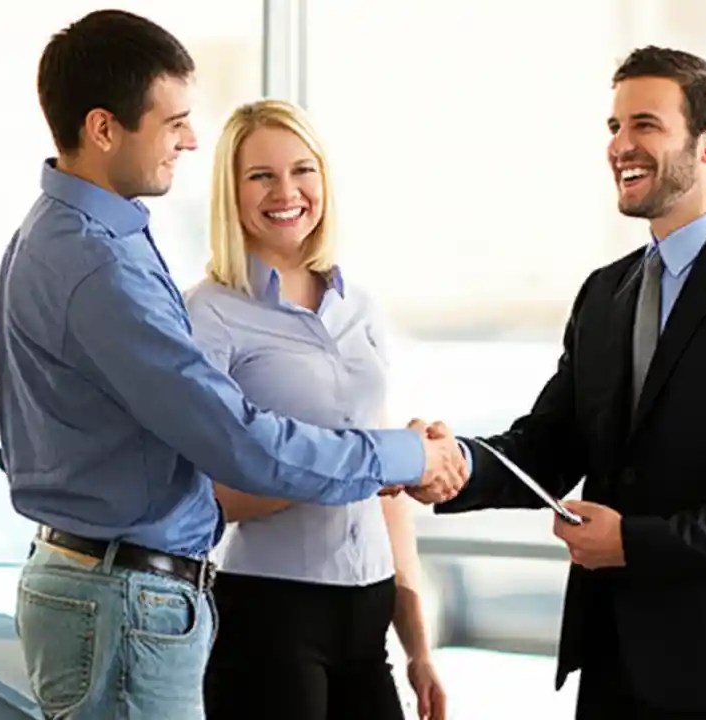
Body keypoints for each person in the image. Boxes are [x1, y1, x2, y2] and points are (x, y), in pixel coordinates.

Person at [0, 11, 466, 720]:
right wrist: (401, 456)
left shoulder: (88, 237)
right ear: (103, 129)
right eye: (174, 121)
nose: (188, 138)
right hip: (132, 597)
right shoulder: (96, 263)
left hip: (127, 589)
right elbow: (237, 444)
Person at [433, 46, 706, 719]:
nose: (620, 146)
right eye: (613, 127)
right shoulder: (606, 293)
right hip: (611, 665)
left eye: (645, 125)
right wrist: (455, 463)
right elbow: (551, 443)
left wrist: (638, 542)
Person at [184, 99, 447, 720]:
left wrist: (417, 646)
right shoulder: (209, 314)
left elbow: (384, 484)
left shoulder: (360, 306)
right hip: (270, 614)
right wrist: (356, 467)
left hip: (369, 618)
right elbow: (207, 496)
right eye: (261, 176)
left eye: (303, 170)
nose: (287, 191)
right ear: (231, 191)